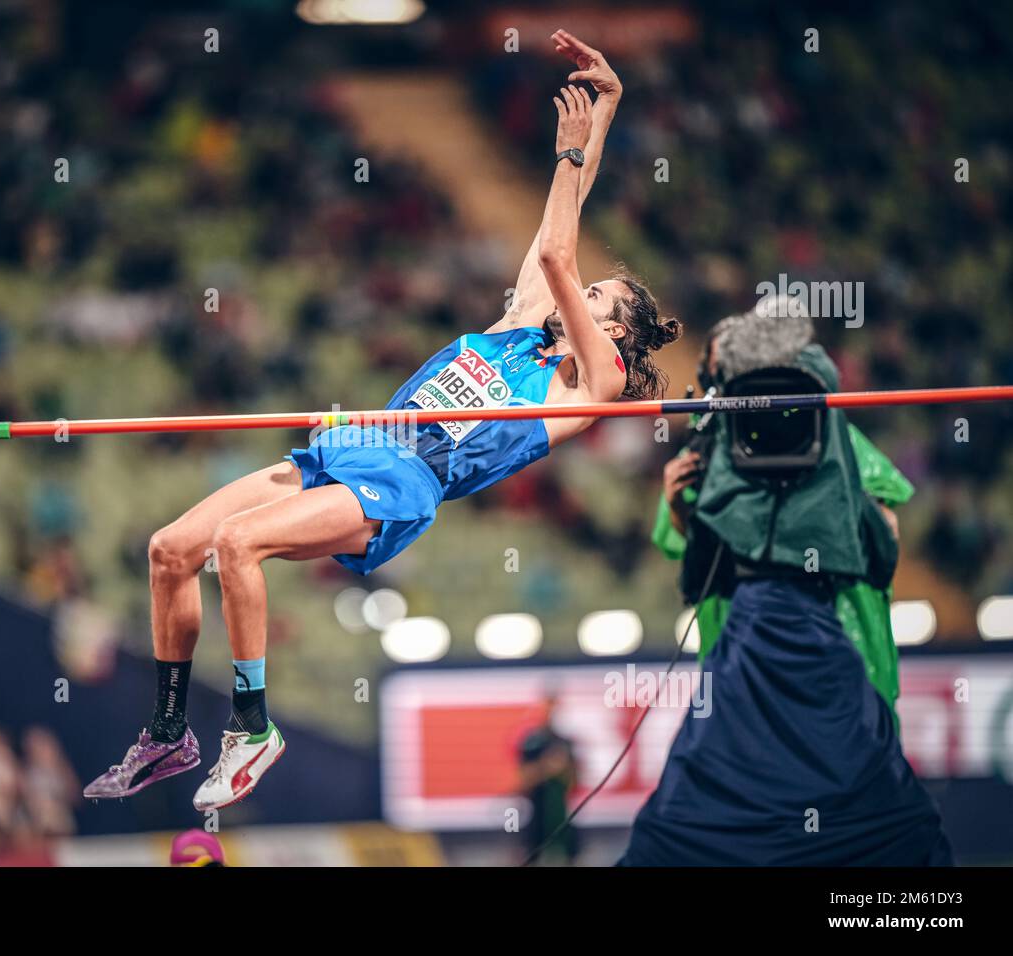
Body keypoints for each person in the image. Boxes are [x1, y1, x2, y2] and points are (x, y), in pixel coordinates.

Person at [83, 31, 683, 811]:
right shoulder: (521, 325)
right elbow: (559, 232)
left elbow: (561, 257)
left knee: (238, 545)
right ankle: (168, 731)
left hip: (404, 482)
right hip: (358, 446)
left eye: (602, 300)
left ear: (620, 337)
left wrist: (568, 157)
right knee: (172, 550)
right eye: (592, 290)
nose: (583, 295)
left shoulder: (586, 387)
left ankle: (253, 728)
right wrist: (606, 107)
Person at [621, 306, 952, 866]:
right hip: (750, 635)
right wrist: (684, 507)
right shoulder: (709, 442)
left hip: (838, 634)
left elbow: (883, 527)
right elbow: (689, 556)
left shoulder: (831, 428)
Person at [518, 693, 582, 866]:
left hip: (562, 815)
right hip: (537, 816)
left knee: (571, 855)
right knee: (530, 856)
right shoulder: (532, 742)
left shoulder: (565, 742)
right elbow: (523, 780)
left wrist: (565, 769)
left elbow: (575, 782)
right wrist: (547, 767)